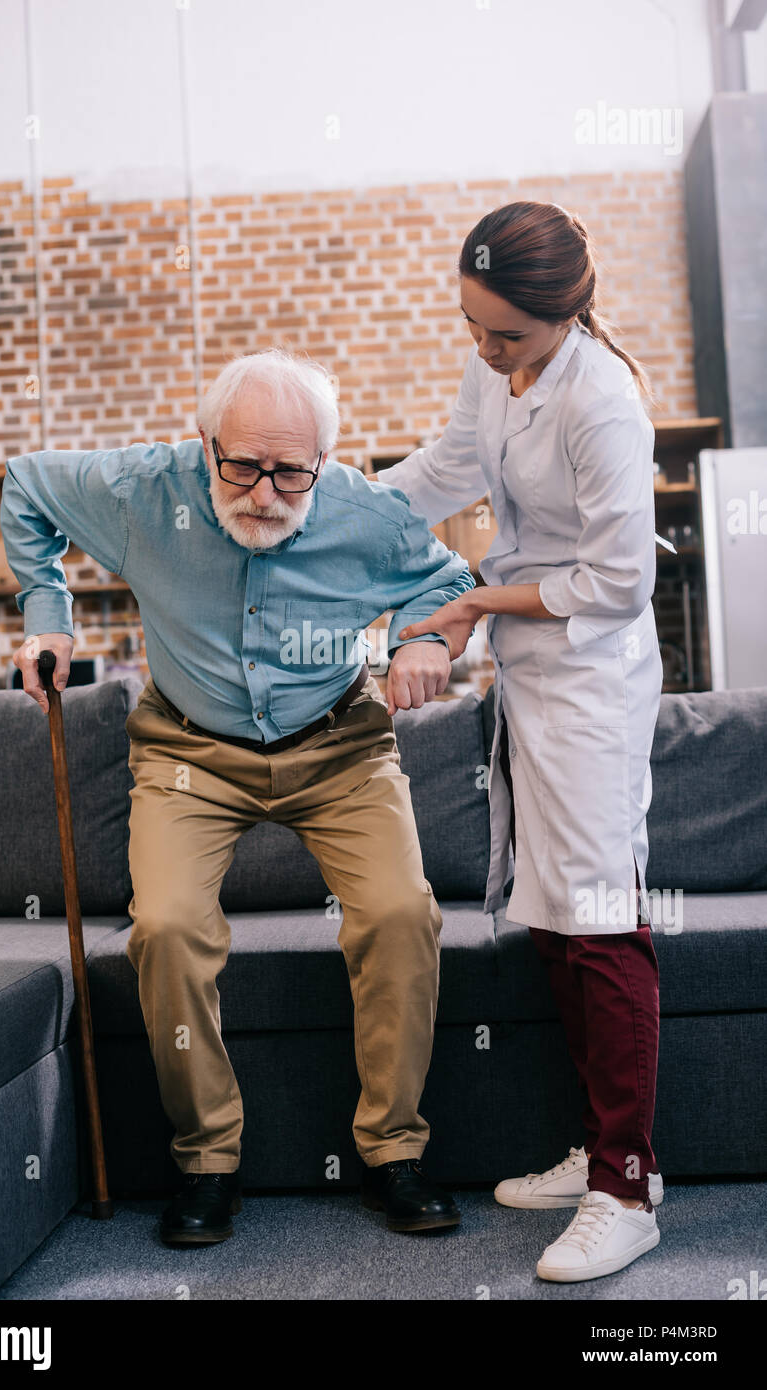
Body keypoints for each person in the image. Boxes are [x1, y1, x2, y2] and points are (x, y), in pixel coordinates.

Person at [1, 348, 471, 1246]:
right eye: (242, 464)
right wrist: (45, 612)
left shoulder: (366, 516)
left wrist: (425, 643)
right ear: (204, 439)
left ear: (325, 462)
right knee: (168, 927)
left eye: (291, 471)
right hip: (190, 751)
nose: (263, 491)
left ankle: (391, 1151)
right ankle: (206, 1159)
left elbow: (450, 584)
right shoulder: (141, 489)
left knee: (400, 913)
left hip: (339, 744)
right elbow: (24, 485)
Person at [376, 201, 665, 1283]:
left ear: (565, 312)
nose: (485, 352)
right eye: (471, 326)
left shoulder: (605, 404)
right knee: (550, 915)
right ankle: (601, 1147)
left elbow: (619, 581)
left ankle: (628, 1187)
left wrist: (470, 603)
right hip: (532, 675)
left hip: (593, 679)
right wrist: (329, 498)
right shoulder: (494, 373)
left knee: (599, 917)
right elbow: (445, 468)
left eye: (506, 335)